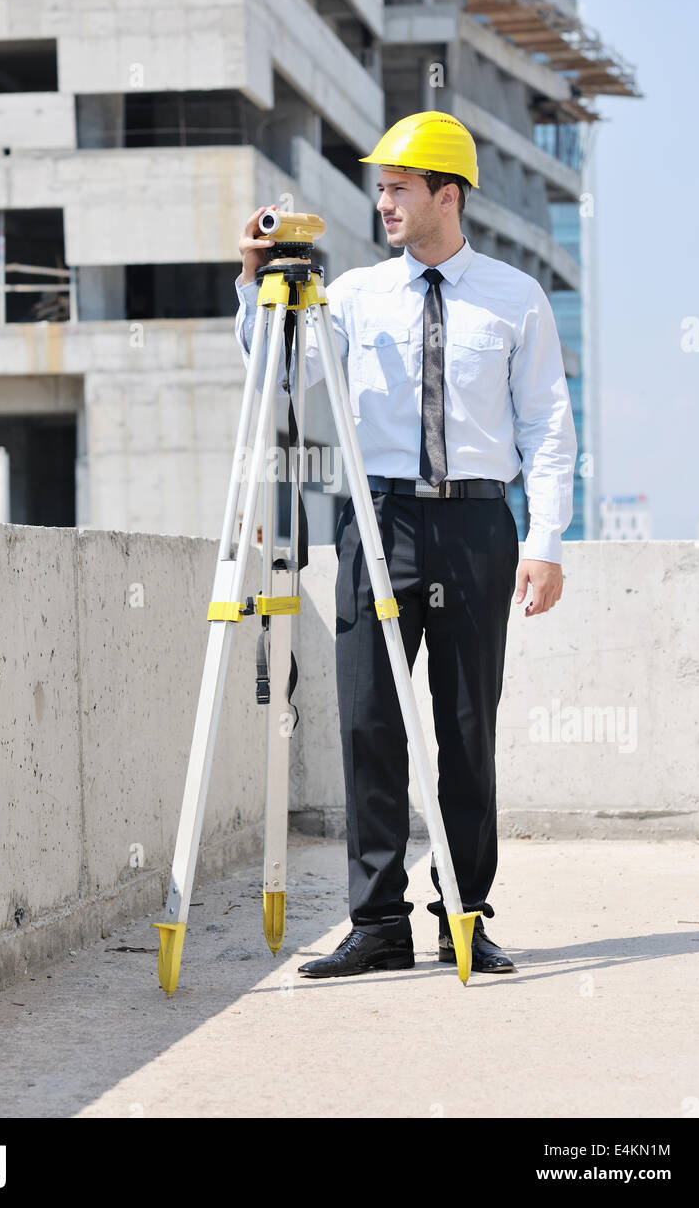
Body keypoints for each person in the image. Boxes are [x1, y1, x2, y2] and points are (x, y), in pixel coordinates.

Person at [234, 111, 577, 977]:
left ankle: (465, 914)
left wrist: (543, 541)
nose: (382, 201)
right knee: (370, 722)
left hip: (474, 527)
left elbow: (547, 426)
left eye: (397, 187)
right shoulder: (350, 295)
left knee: (466, 727)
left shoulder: (514, 297)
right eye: (380, 186)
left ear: (445, 195)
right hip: (376, 521)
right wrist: (254, 286)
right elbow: (278, 377)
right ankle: (379, 924)